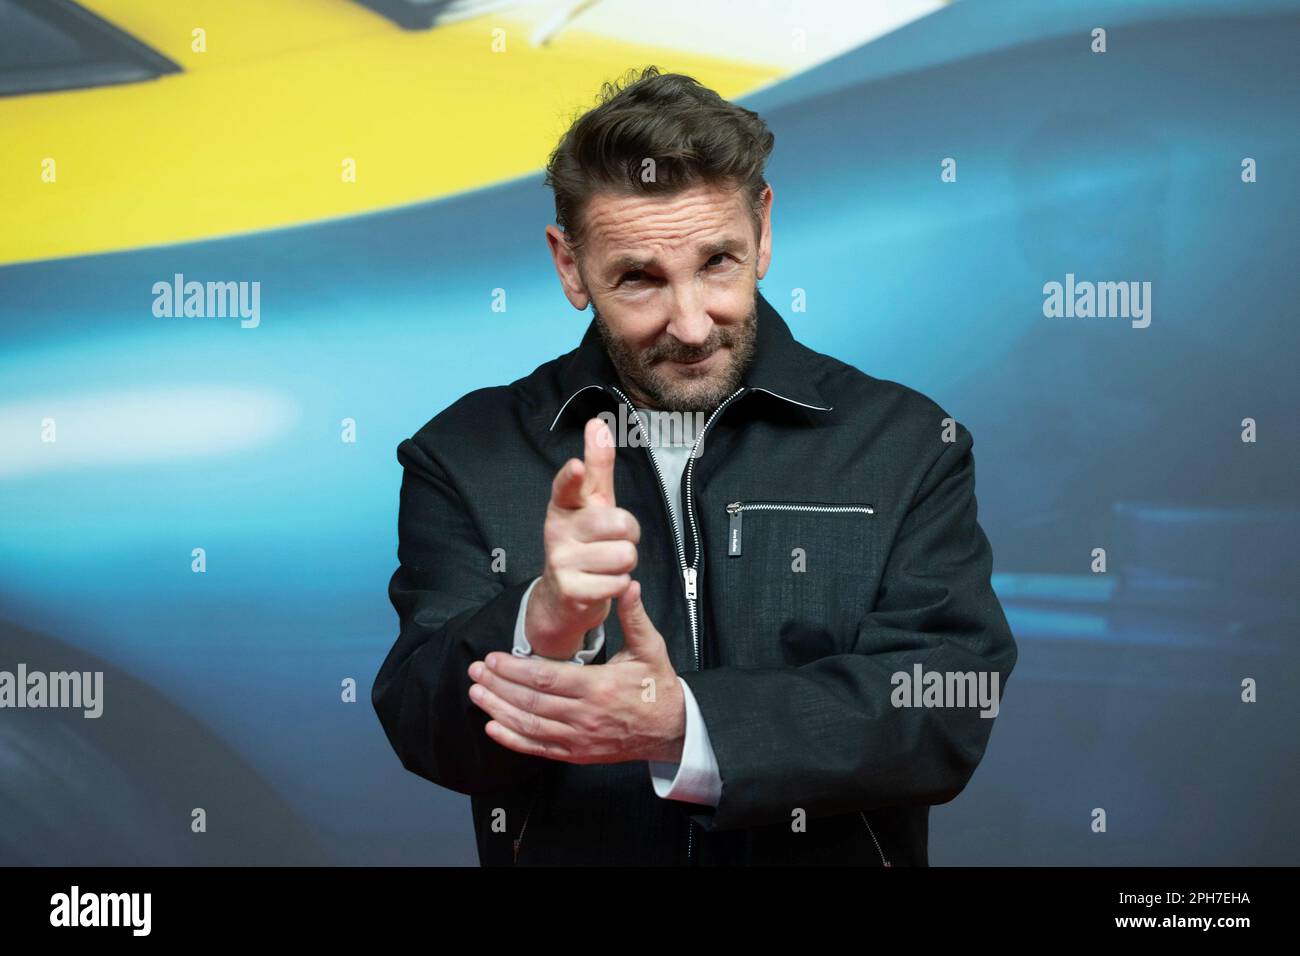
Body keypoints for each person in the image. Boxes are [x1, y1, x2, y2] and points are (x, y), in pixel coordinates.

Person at [372, 66, 1017, 865]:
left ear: (765, 231)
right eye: (639, 278)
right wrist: (540, 624)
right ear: (570, 266)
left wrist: (683, 723)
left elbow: (945, 708)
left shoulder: (908, 441)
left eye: (717, 263)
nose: (689, 323)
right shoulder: (465, 452)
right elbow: (425, 736)